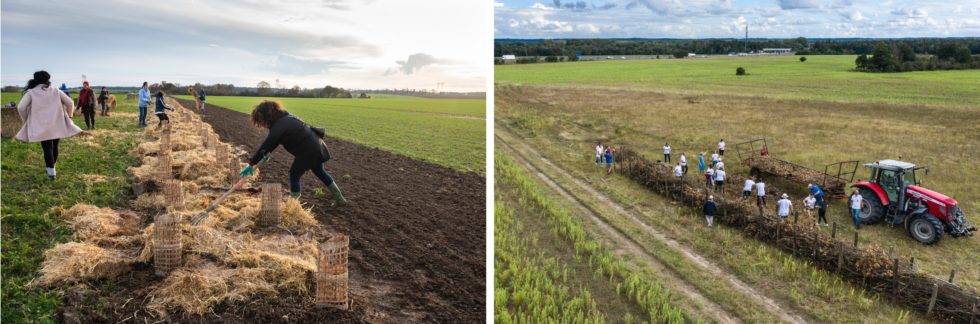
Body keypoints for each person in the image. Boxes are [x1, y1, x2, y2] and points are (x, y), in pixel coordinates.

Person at [242, 100, 346, 207]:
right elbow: (273, 143)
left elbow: (267, 143)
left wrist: (251, 163)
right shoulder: (285, 118)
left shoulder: (279, 124)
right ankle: (340, 199)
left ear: (266, 116)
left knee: (294, 176)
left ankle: (295, 208)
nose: (263, 122)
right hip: (317, 145)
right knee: (320, 172)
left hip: (308, 150)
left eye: (262, 119)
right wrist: (265, 154)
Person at [15, 71, 83, 181]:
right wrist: (69, 115)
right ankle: (52, 169)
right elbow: (70, 103)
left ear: (36, 79)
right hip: (57, 122)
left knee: (47, 148)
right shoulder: (56, 90)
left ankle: (52, 174)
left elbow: (21, 107)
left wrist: (26, 119)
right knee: (55, 146)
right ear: (48, 79)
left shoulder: (31, 92)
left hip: (40, 124)